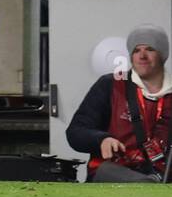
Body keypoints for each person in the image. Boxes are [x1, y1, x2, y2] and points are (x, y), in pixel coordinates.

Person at [67, 25, 170, 183]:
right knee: (146, 185)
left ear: (163, 55)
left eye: (150, 49)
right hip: (112, 172)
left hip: (162, 177)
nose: (142, 56)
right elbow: (75, 132)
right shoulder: (110, 85)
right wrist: (102, 139)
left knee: (152, 185)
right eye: (136, 51)